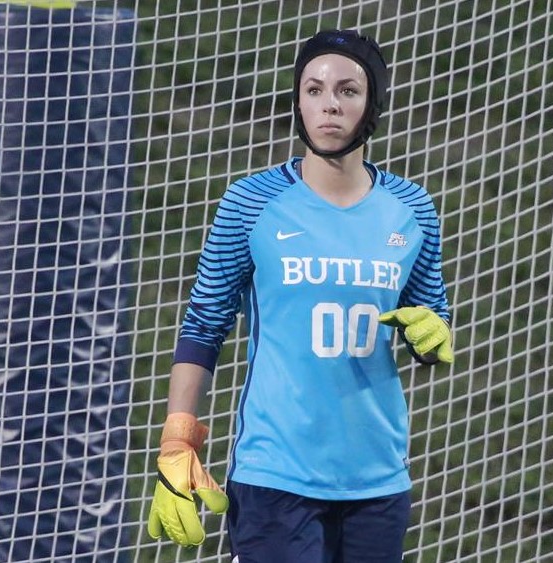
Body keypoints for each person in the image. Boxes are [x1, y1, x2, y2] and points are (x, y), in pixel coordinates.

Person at [145, 29, 454, 562]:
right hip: (275, 476)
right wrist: (177, 441)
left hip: (377, 480)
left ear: (372, 104)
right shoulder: (251, 201)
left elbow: (431, 324)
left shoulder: (413, 208)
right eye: (313, 90)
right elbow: (203, 326)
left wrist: (433, 336)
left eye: (347, 91)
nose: (328, 104)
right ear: (297, 102)